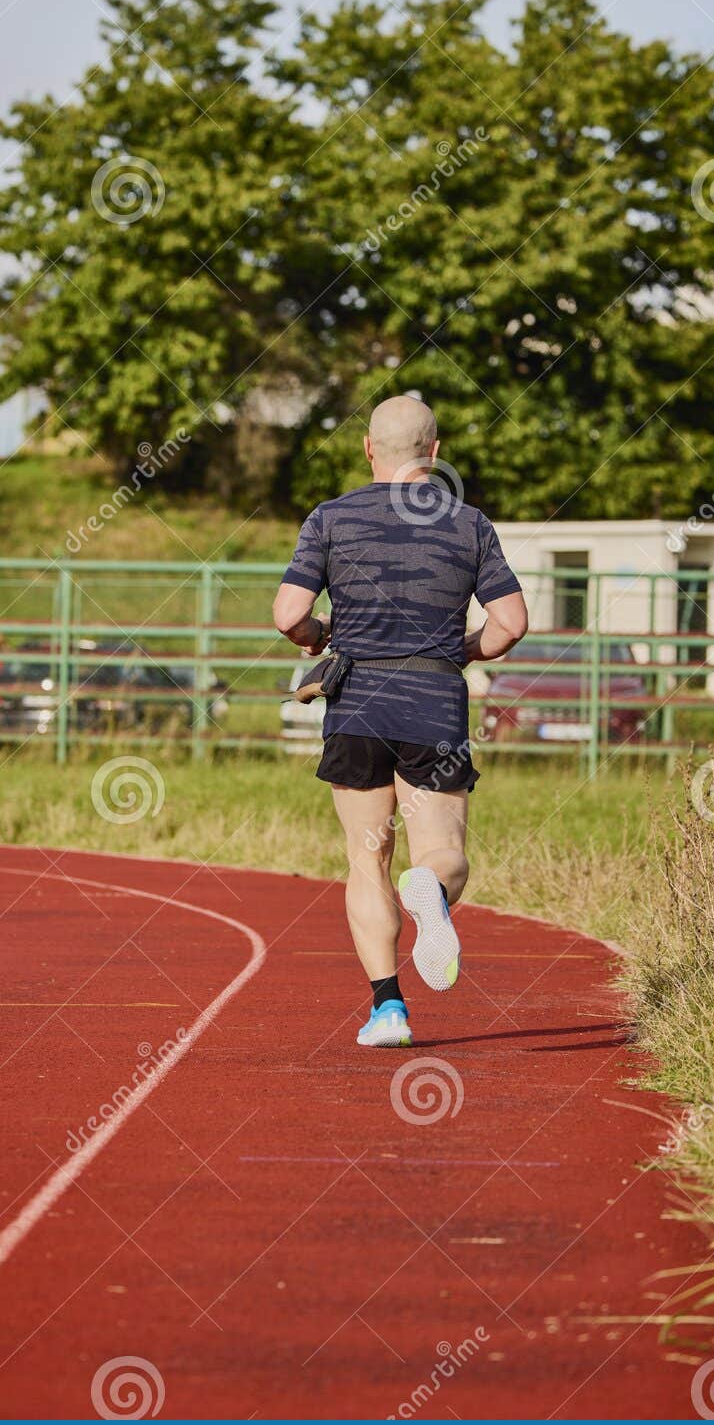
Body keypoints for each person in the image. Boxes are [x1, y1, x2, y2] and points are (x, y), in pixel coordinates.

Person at [273, 396, 528, 1049]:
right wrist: (461, 648)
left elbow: (288, 614)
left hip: (356, 699)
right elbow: (510, 625)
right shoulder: (468, 523)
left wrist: (315, 636)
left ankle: (388, 1009)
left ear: (368, 449)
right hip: (433, 697)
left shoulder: (330, 518)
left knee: (366, 862)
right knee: (441, 851)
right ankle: (434, 894)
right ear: (434, 452)